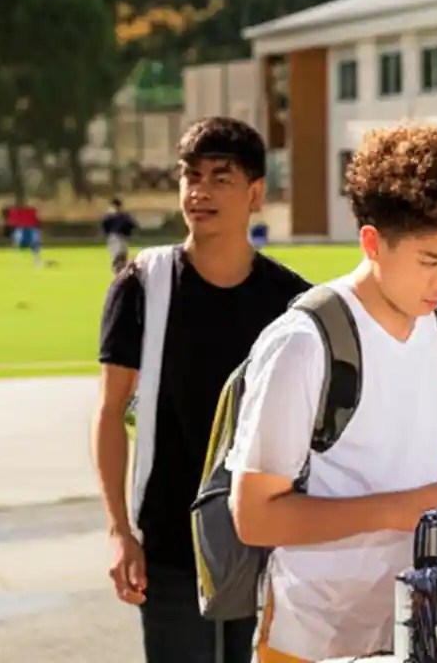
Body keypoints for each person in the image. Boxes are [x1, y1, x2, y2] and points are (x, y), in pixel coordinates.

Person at [225, 123, 437, 662]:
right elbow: (254, 516)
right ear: (373, 242)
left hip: (417, 629)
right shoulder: (303, 344)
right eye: (430, 261)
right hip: (310, 640)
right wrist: (401, 510)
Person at [95, 117, 311, 663]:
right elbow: (110, 413)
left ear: (256, 193)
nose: (200, 191)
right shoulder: (144, 285)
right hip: (169, 543)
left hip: (265, 541)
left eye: (221, 177)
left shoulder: (294, 303)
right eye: (191, 176)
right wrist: (120, 531)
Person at [102, 197, 138, 275]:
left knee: (118, 257)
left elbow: (105, 227)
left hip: (114, 237)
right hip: (121, 237)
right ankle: (121, 273)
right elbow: (132, 225)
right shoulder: (124, 215)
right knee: (121, 257)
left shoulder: (110, 216)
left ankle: (119, 274)